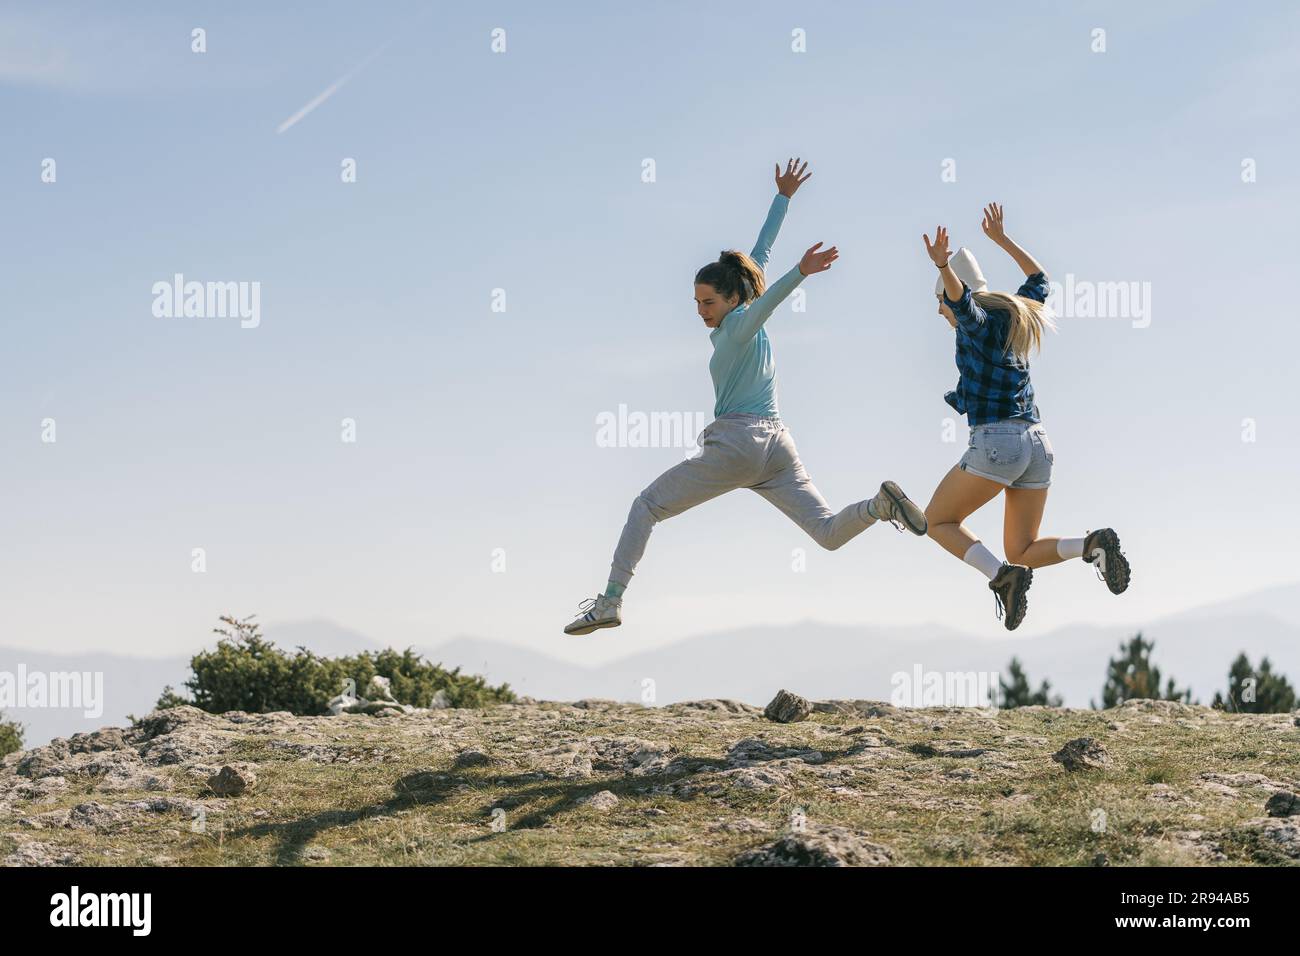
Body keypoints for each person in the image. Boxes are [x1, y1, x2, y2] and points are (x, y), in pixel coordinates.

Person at [564, 159, 928, 636]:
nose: (700, 312)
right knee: (827, 533)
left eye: (708, 303)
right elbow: (761, 258)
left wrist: (800, 271)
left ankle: (610, 602)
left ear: (732, 301)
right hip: (778, 448)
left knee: (646, 506)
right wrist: (782, 199)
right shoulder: (741, 309)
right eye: (696, 303)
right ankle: (879, 506)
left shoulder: (739, 325)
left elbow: (769, 296)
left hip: (738, 443)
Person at [920, 204, 1131, 630]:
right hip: (1037, 445)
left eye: (939, 303)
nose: (940, 312)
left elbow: (963, 306)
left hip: (998, 443)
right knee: (1022, 547)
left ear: (950, 294)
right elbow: (1040, 279)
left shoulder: (974, 321)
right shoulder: (1017, 312)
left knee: (937, 520)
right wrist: (1001, 239)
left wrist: (943, 266)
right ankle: (1092, 545)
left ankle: (1001, 578)